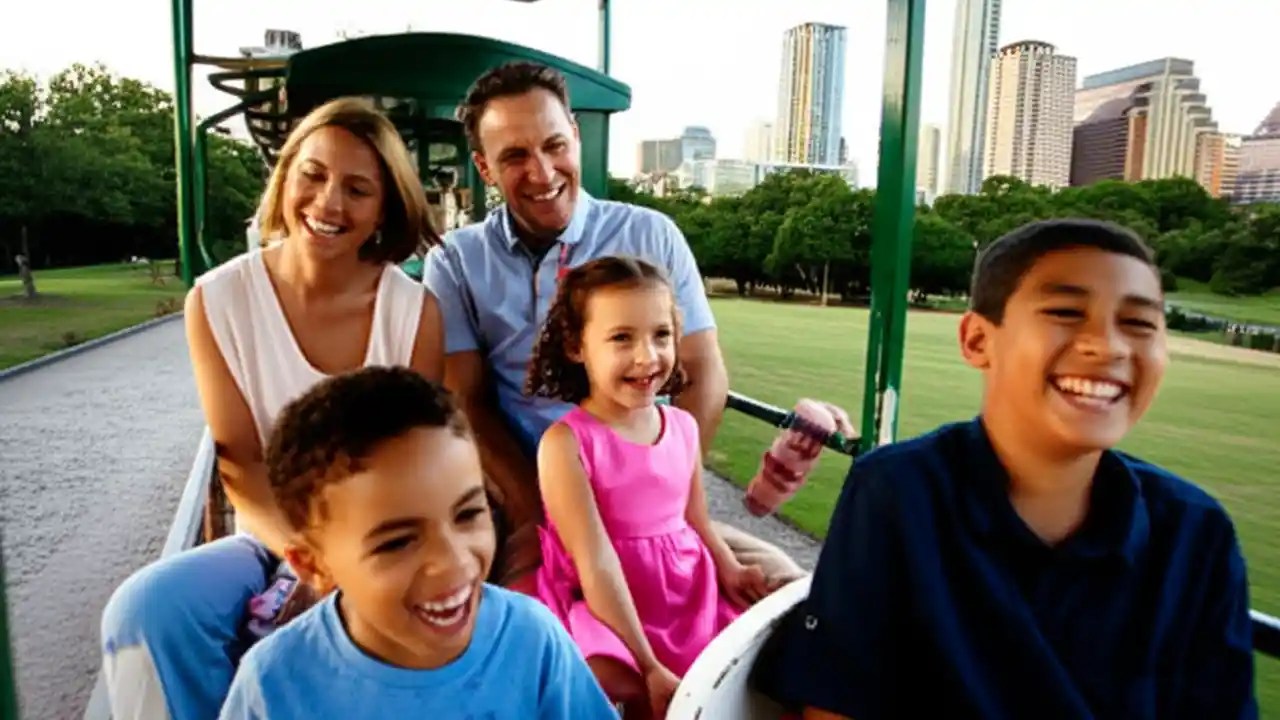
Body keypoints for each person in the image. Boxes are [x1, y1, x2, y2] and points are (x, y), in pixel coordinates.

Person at [763, 219, 1257, 719]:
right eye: (1066, 311)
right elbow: (839, 704)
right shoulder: (899, 492)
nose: (1108, 346)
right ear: (978, 340)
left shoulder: (1195, 531)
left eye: (1139, 323)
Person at [101, 97, 445, 720]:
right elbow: (240, 465)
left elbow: (416, 469)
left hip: (380, 541)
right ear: (285, 178)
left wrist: (355, 565)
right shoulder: (218, 300)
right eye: (312, 175)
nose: (328, 203)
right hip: (269, 535)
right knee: (146, 607)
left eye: (358, 189)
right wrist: (310, 564)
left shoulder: (413, 312)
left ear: (384, 210)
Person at [424, 60, 804, 592]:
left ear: (576, 138)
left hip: (640, 488)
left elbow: (701, 367)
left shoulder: (651, 233)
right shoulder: (457, 261)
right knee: (522, 616)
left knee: (785, 590)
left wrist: (668, 486)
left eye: (555, 145)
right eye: (514, 156)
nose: (542, 171)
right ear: (484, 168)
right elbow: (466, 399)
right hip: (523, 490)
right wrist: (539, 513)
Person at [219, 367, 618, 719]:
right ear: (313, 565)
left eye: (468, 515)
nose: (454, 562)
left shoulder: (532, 641)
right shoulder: (273, 686)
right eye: (397, 543)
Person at [526, 256, 773, 718]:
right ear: (577, 346)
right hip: (612, 605)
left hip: (687, 591)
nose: (647, 357)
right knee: (618, 685)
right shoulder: (566, 444)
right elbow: (594, 561)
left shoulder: (681, 425)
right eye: (622, 338)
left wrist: (731, 569)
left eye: (661, 336)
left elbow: (695, 518)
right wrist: (648, 663)